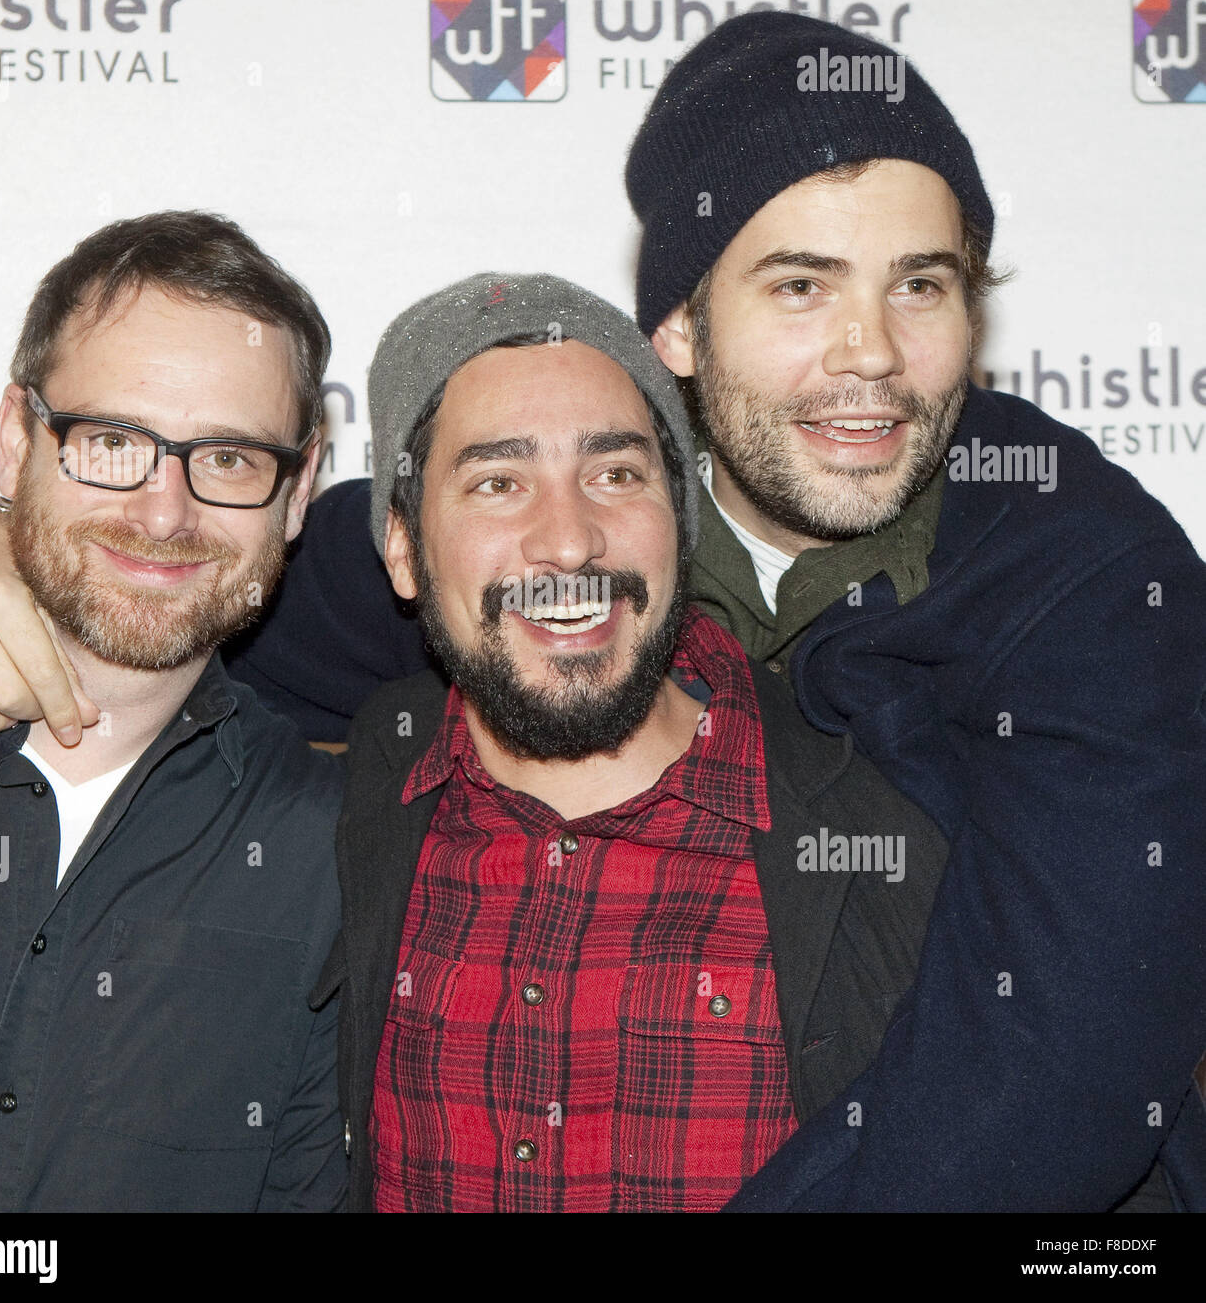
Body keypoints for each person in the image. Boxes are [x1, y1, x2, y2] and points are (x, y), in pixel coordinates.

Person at [0, 14, 1203, 1212]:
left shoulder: (1086, 576)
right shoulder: (567, 507)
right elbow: (200, 549)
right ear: (684, 328)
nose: (869, 348)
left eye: (922, 285)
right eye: (803, 286)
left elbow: (1051, 1081)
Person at [309, 271, 947, 1212]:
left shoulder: (896, 837)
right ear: (403, 548)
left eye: (615, 473)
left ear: (680, 526)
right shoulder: (351, 804)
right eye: (497, 481)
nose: (568, 542)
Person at [0, 211, 346, 1211]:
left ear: (298, 486)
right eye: (112, 441)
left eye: (229, 457)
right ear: (20, 437)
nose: (163, 512)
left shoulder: (333, 843)